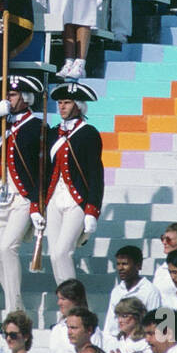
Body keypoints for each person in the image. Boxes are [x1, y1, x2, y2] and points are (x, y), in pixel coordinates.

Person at [0, 75, 45, 315]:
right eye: (8, 94)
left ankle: (14, 310)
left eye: (14, 94)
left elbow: (42, 170)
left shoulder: (38, 126)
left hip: (22, 197)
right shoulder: (1, 125)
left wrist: (38, 205)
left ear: (27, 98)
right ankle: (14, 305)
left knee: (8, 248)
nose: (9, 98)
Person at [43, 81, 102, 285]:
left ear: (78, 105)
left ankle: (76, 307)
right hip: (53, 198)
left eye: (67, 102)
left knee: (62, 253)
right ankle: (65, 306)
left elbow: (95, 173)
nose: (62, 107)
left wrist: (92, 210)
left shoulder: (88, 133)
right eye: (60, 103)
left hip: (76, 199)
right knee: (53, 255)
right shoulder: (52, 133)